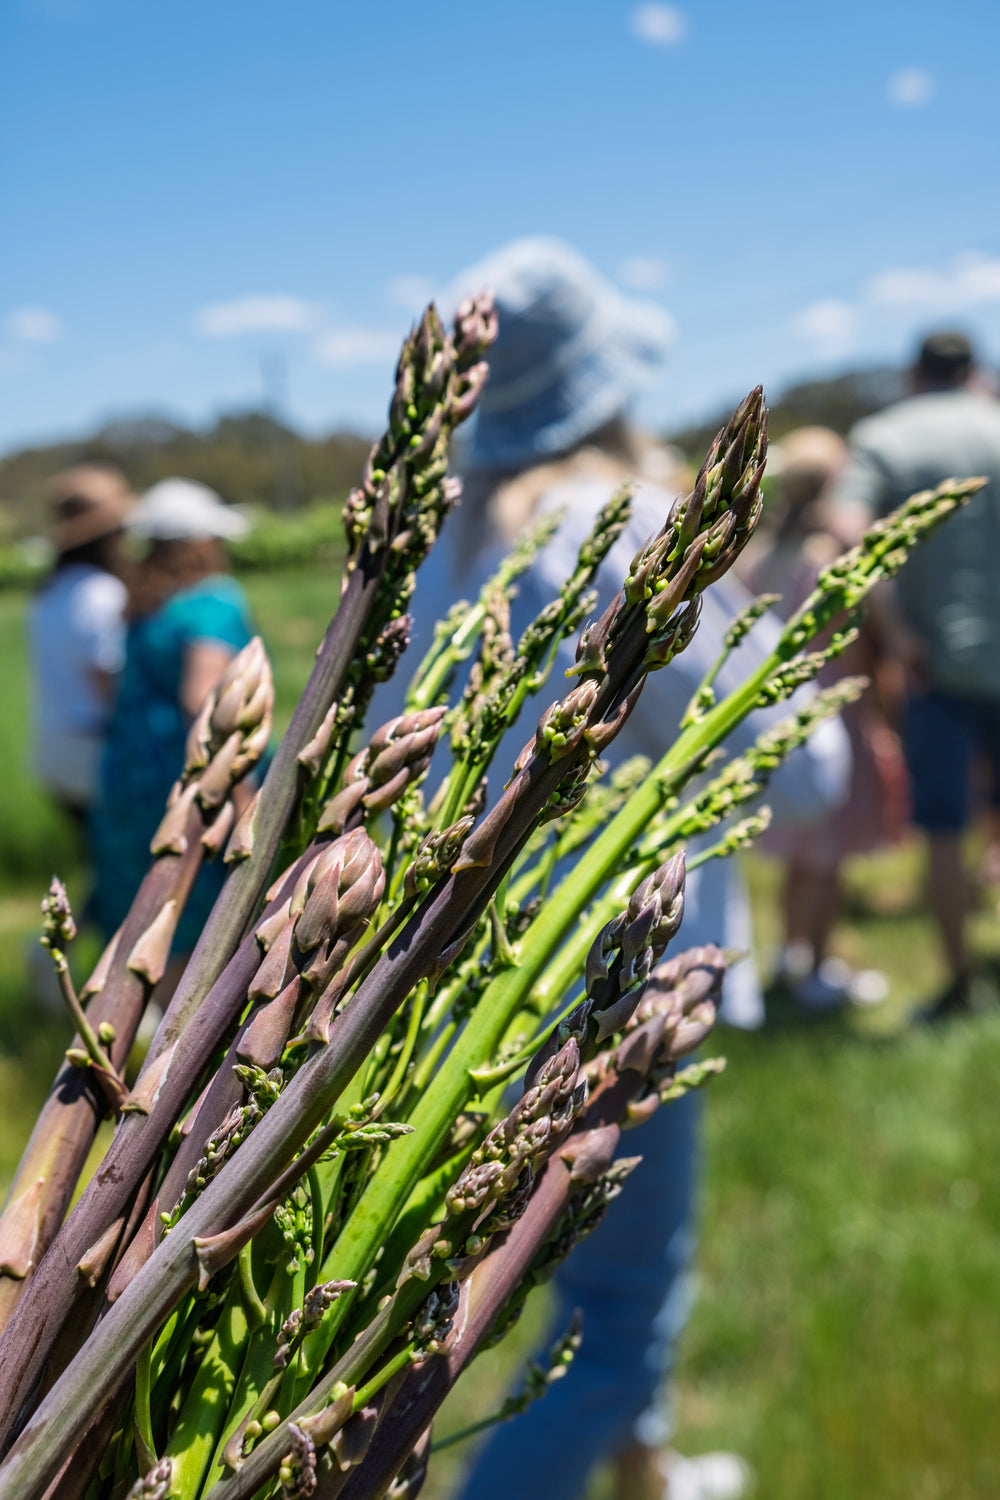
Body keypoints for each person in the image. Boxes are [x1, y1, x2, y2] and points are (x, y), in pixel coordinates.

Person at [393, 238, 849, 1500]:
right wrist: (768, 605)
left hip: (447, 981)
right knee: (618, 1307)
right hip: (617, 980)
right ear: (604, 384)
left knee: (483, 1292)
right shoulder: (636, 527)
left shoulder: (435, 544)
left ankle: (649, 1478)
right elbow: (803, 769)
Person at [833, 330, 1000, 1020]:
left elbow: (848, 530)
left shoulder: (884, 436)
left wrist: (897, 632)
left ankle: (961, 985)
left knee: (941, 829)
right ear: (974, 371)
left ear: (913, 374)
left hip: (936, 667)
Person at [747, 428, 907, 1008]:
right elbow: (873, 636)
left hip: (779, 716)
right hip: (839, 709)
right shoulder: (836, 552)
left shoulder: (766, 552)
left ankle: (791, 959)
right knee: (828, 858)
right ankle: (815, 972)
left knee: (798, 855)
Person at [91, 478, 255, 959]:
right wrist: (242, 794)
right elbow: (202, 697)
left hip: (127, 774)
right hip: (186, 779)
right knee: (200, 918)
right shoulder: (214, 600)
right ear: (202, 542)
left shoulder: (144, 602)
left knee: (145, 910)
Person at [29, 465, 135, 825]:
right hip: (93, 755)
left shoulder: (50, 591)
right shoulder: (101, 593)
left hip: (54, 749)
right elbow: (107, 680)